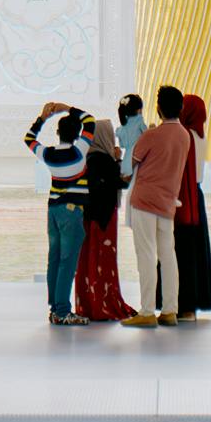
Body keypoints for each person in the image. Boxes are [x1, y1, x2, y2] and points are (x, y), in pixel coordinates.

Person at [125, 89, 195, 326]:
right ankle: (169, 310)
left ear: (159, 108)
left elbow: (129, 165)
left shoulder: (152, 135)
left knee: (146, 255)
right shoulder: (185, 136)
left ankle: (146, 312)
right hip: (167, 203)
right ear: (181, 108)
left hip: (144, 201)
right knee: (168, 255)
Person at [25, 102, 88, 324]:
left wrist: (43, 117)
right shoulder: (80, 151)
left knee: (54, 258)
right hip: (72, 212)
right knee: (67, 262)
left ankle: (54, 308)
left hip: (52, 209)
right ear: (78, 133)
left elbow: (29, 139)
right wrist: (67, 108)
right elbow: (89, 120)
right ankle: (62, 311)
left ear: (58, 133)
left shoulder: (49, 154)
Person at [74, 115, 132, 323]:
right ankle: (103, 303)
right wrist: (118, 160)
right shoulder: (104, 160)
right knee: (103, 260)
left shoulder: (87, 159)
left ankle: (88, 303)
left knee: (89, 259)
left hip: (89, 217)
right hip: (104, 218)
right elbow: (120, 183)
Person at [172, 91, 211, 319]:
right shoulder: (200, 136)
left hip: (182, 196)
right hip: (195, 195)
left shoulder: (184, 135)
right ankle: (193, 304)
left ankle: (183, 304)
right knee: (196, 250)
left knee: (182, 249)